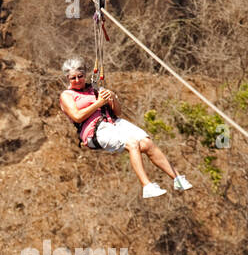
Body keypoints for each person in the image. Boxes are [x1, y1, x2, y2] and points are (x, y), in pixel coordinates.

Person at [59, 56, 192, 199]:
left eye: (80, 76)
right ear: (68, 78)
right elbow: (77, 116)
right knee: (132, 143)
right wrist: (98, 103)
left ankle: (177, 178)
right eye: (73, 78)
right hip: (95, 131)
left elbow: (117, 112)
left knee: (146, 142)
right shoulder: (67, 95)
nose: (77, 80)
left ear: (85, 75)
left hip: (114, 122)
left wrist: (112, 98)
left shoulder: (95, 89)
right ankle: (146, 186)